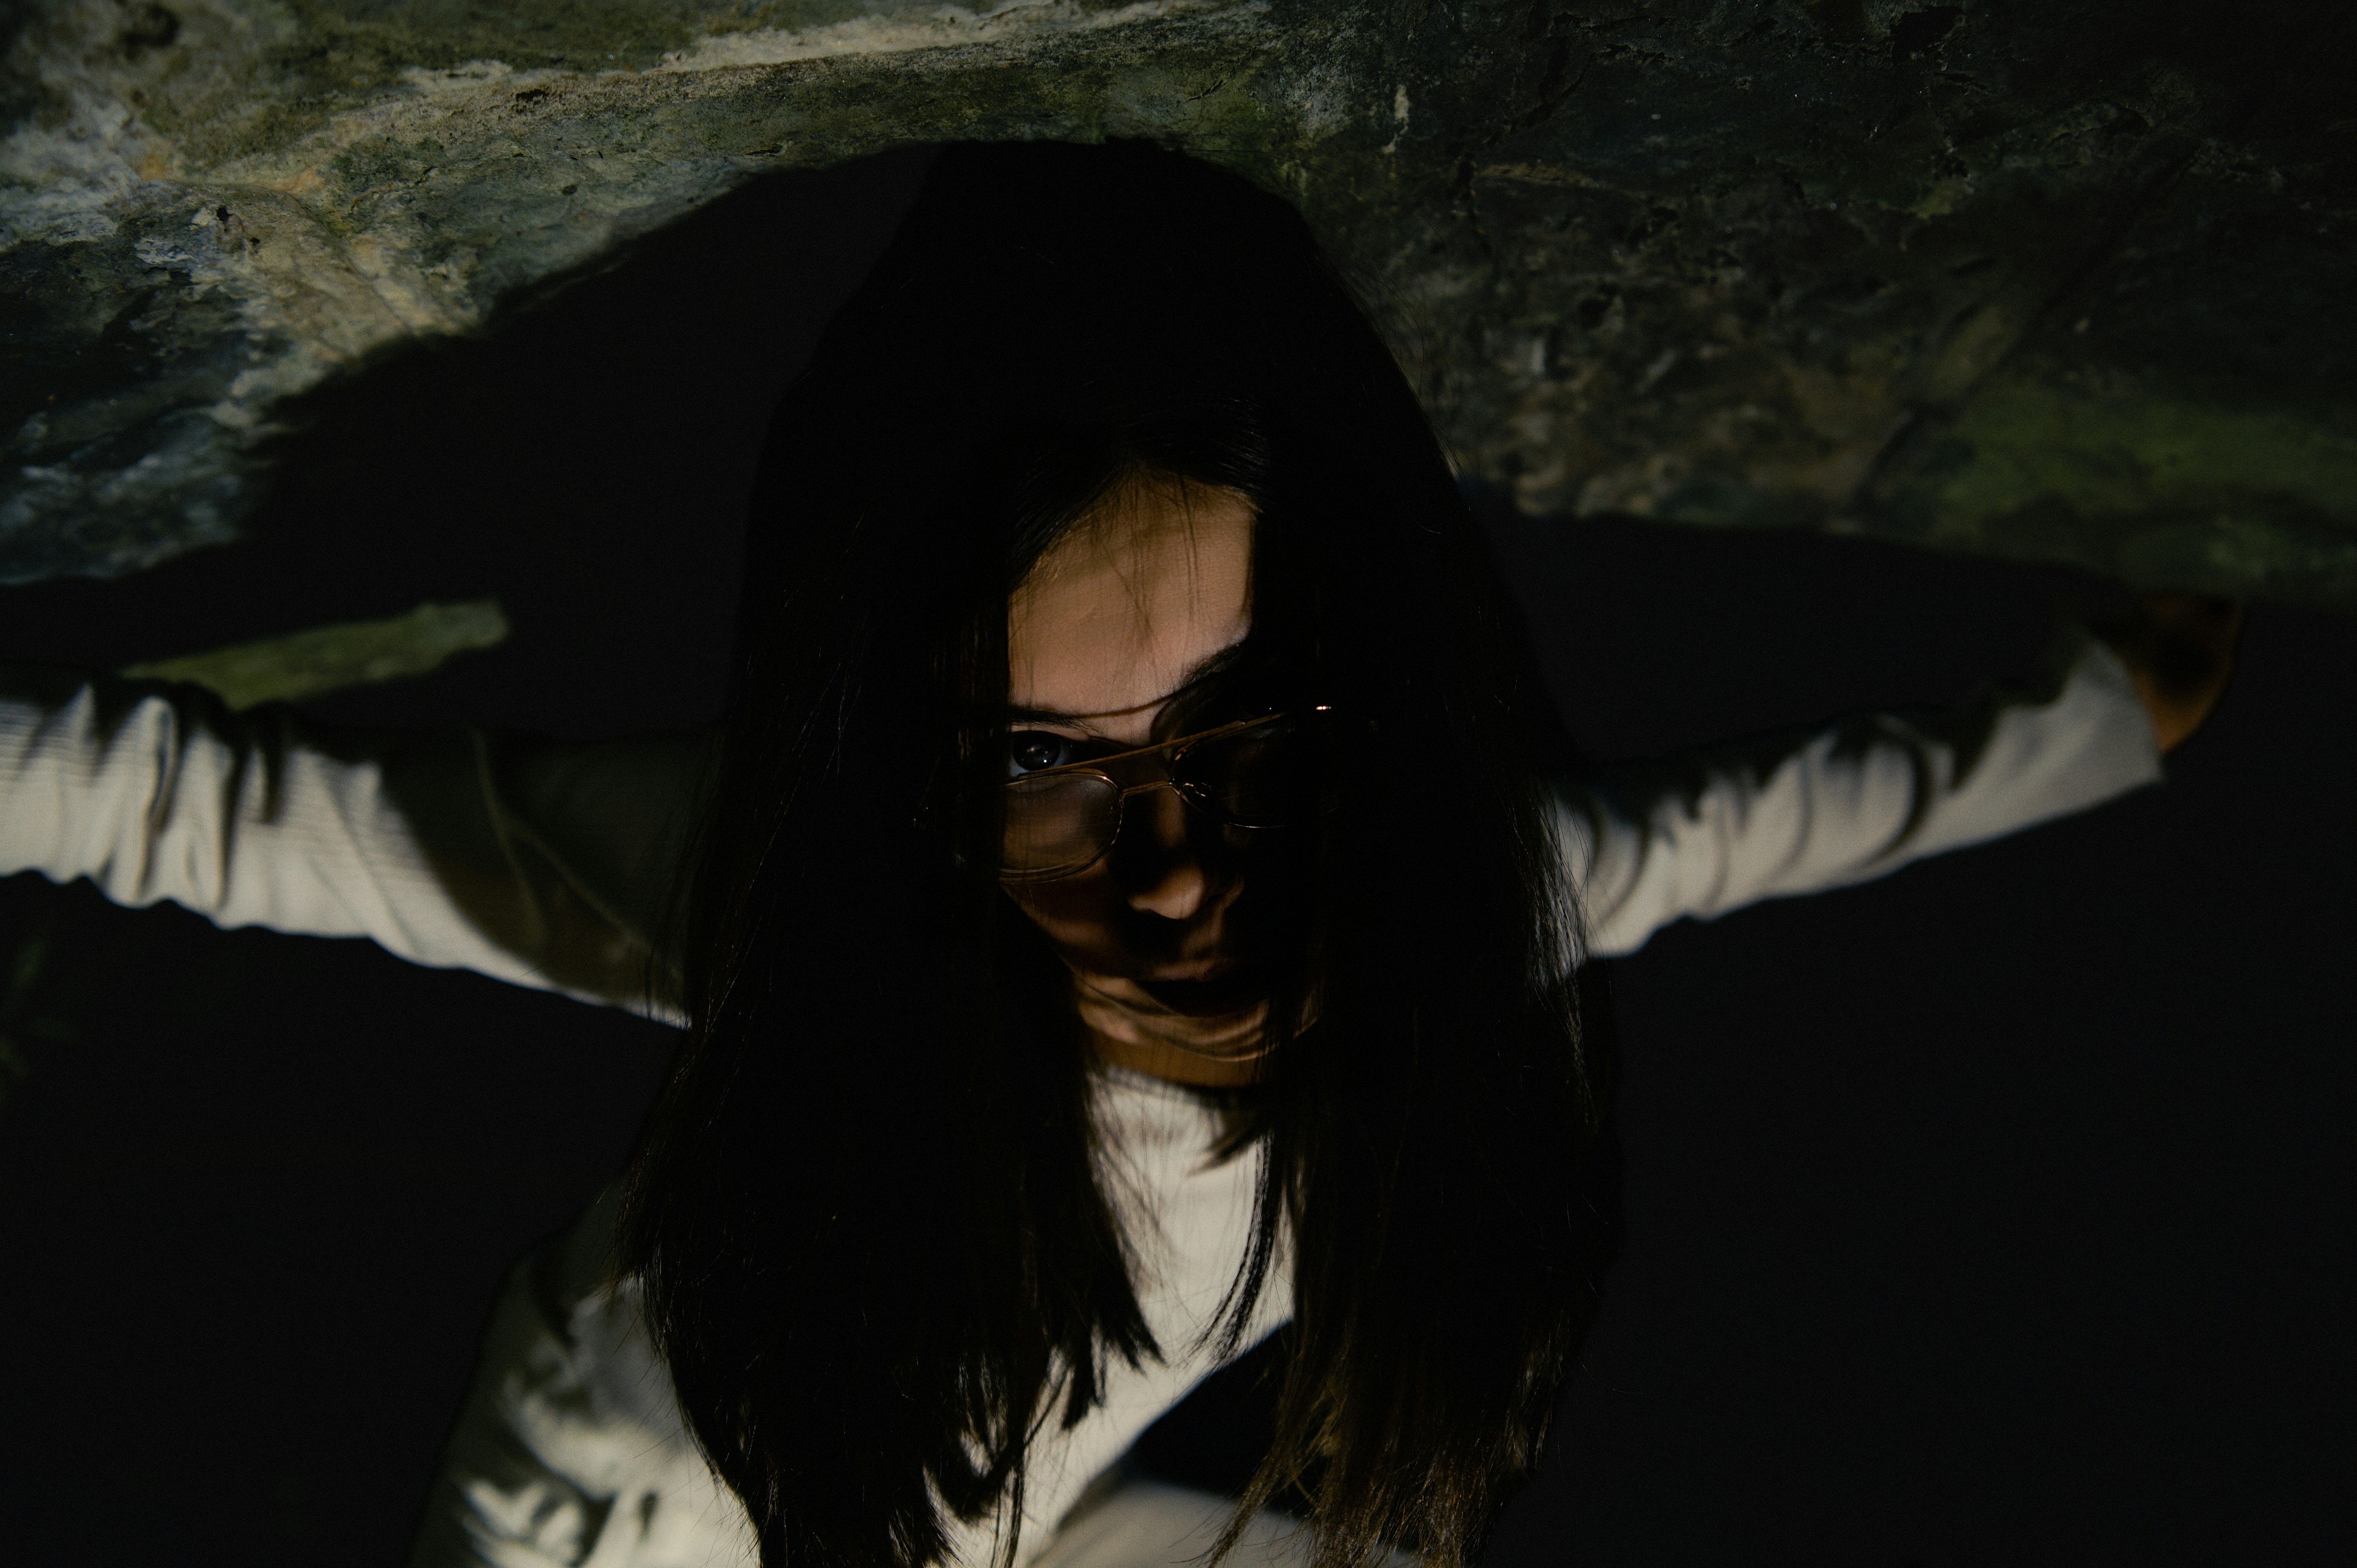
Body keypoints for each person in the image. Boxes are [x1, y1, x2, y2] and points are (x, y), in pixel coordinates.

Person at [0, 142, 2236, 1568]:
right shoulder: (801, 887)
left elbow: (1740, 827)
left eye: (1229, 727)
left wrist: (2077, 726)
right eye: (1043, 756)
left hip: (1020, 1520)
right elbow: (237, 814)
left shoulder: (1428, 886)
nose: (1167, 861)